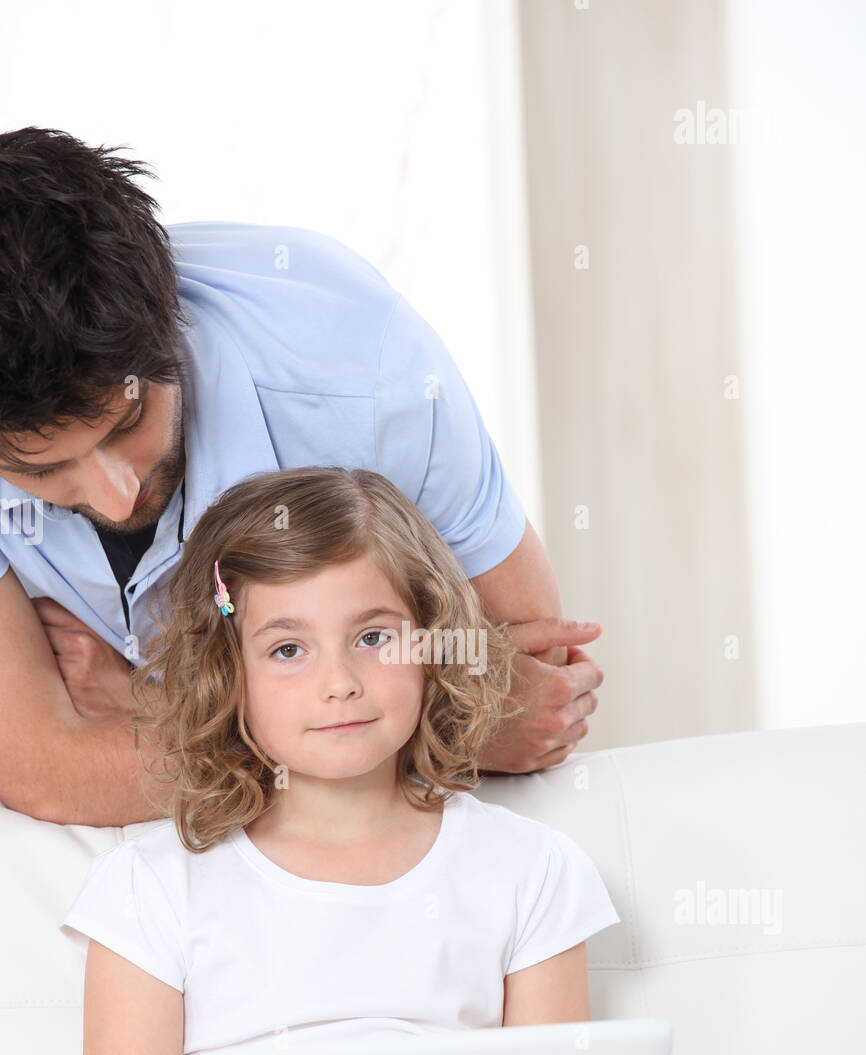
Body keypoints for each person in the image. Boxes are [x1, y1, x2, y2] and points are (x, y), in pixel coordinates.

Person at [58, 467, 621, 1055]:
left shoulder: (531, 870)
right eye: (287, 649)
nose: (339, 682)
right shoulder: (151, 888)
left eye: (374, 637)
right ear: (226, 671)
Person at [0, 127, 604, 848]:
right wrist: (435, 725)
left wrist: (141, 707)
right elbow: (45, 772)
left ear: (169, 314)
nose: (113, 497)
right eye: (41, 471)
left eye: (127, 423)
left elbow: (526, 693)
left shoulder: (366, 365)